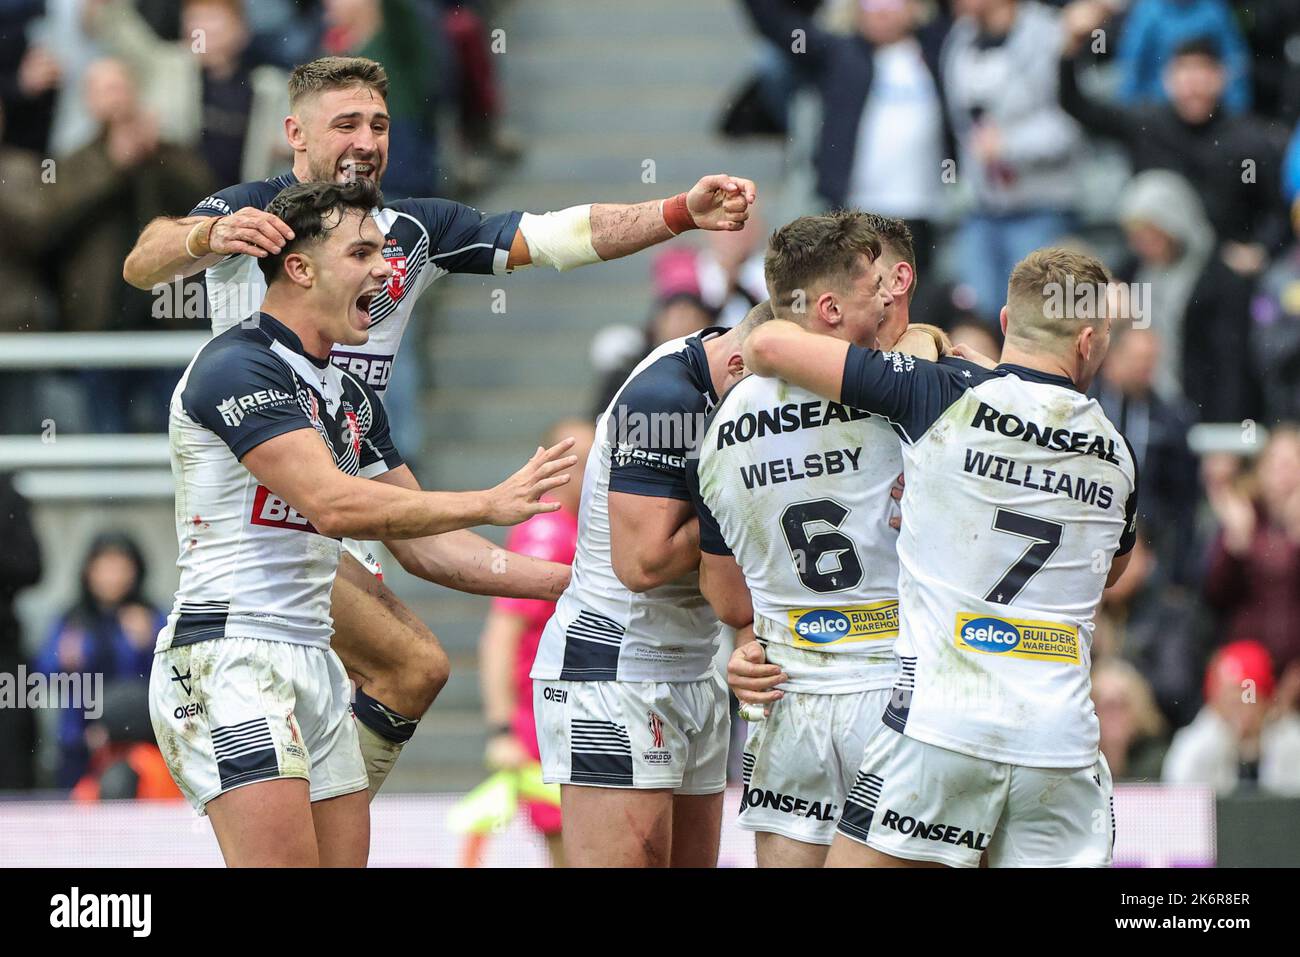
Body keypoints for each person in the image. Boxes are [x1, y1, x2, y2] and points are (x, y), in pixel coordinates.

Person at [122, 55, 758, 798]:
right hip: (260, 495)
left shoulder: (411, 231)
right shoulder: (255, 216)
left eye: (380, 124)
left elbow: (555, 235)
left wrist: (679, 212)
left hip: (345, 453)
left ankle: (319, 795)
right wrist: (206, 237)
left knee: (413, 669)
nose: (366, 140)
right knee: (397, 659)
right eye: (346, 123)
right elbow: (143, 260)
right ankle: (291, 784)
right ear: (294, 135)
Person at [148, 179, 578, 866]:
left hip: (315, 663)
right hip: (228, 658)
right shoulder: (235, 365)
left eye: (383, 252)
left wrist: (578, 584)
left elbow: (431, 549)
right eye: (363, 253)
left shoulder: (350, 396)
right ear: (299, 267)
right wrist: (489, 501)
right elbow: (334, 503)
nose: (386, 269)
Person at [744, 246, 1138, 867]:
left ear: (1007, 322)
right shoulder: (1117, 454)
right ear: (1087, 342)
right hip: (1059, 748)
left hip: (942, 729)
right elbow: (1112, 571)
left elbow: (767, 347)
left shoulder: (943, 394)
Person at [690, 213, 943, 867]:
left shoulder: (725, 423)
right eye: (869, 292)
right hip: (898, 687)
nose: (884, 303)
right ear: (830, 307)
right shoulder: (901, 391)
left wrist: (759, 635)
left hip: (785, 693)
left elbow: (725, 598)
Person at [529, 310, 771, 868]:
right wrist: (741, 490)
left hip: (695, 664)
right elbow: (643, 562)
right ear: (739, 365)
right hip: (615, 672)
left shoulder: (737, 386)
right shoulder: (665, 399)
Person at [739, 0, 952, 273]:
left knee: (921, 304)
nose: (883, 10)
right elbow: (779, 26)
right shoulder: (841, 53)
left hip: (927, 210)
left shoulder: (940, 49)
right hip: (856, 213)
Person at [1059, 24, 1288, 276]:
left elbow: (1277, 210)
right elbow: (1078, 106)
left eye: (1202, 72)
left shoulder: (1249, 138)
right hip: (1154, 265)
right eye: (1184, 72)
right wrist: (1071, 49)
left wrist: (1260, 250)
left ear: (1220, 77)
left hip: (1221, 272)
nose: (1193, 85)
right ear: (1168, 78)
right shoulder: (1146, 123)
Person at [477, 418, 596, 867]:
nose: (590, 476)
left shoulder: (578, 527)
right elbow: (501, 634)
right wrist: (503, 729)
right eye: (579, 464)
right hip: (548, 724)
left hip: (568, 716)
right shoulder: (546, 531)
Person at [943, 0, 1082, 323]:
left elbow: (1074, 125)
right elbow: (962, 124)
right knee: (976, 318)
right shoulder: (959, 40)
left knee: (1034, 320)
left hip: (1040, 205)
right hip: (981, 206)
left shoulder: (1049, 33)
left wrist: (1009, 145)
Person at [36, 533, 164, 788]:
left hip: (137, 741)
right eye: (104, 567)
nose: (112, 577)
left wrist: (148, 644)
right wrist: (62, 659)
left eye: (120, 568)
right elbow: (40, 672)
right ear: (89, 572)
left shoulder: (150, 617)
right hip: (79, 742)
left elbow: (168, 677)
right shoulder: (72, 619)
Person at [1202, 425, 1300, 677]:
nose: (1283, 473)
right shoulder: (1243, 514)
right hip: (1247, 665)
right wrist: (1237, 544)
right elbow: (1216, 593)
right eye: (1276, 463)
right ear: (1261, 469)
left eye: (1291, 463)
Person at [1163, 640, 1300, 796]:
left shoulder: (1290, 739)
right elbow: (1180, 793)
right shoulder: (1196, 742)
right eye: (1232, 702)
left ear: (1265, 701)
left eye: (1248, 701)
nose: (1242, 712)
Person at [1091, 657, 1169, 783]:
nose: (1112, 716)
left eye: (1121, 704)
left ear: (1139, 709)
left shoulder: (1164, 762)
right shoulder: (1078, 764)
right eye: (1104, 706)